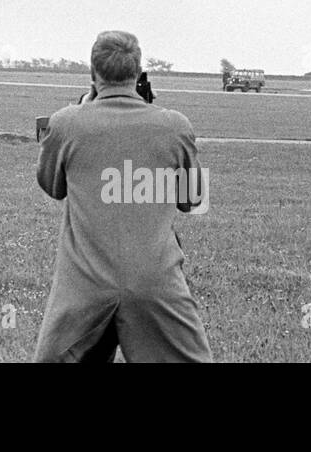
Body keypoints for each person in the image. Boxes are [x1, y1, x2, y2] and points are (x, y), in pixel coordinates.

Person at [34, 30, 211, 362]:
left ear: (92, 73)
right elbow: (193, 200)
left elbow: (52, 187)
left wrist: (83, 109)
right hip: (155, 282)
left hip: (83, 287)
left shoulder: (66, 123)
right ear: (139, 72)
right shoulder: (175, 125)